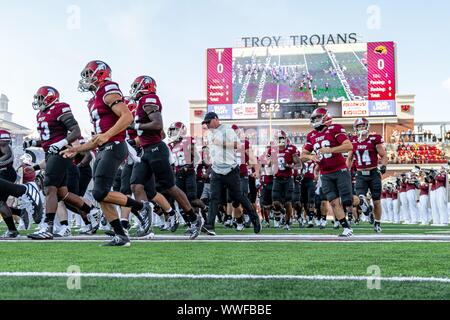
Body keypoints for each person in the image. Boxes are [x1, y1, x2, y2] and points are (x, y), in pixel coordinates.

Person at [62, 60, 152, 247]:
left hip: (115, 145)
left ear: (101, 74)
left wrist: (108, 135)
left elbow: (127, 117)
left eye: (89, 74)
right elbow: (97, 138)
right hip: (104, 147)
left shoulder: (108, 89)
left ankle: (141, 207)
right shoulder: (94, 100)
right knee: (101, 195)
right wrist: (76, 149)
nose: (86, 78)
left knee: (100, 192)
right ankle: (121, 235)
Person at [128, 75, 202, 239]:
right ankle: (146, 225)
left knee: (170, 186)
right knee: (136, 186)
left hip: (155, 150)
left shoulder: (149, 98)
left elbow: (158, 125)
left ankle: (193, 218)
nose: (133, 89)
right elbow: (161, 133)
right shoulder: (141, 103)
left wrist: (136, 125)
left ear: (145, 86)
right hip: (145, 151)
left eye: (135, 86)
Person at [25, 86, 101, 240]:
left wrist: (61, 144)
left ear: (50, 97)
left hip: (60, 153)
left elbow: (76, 131)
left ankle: (48, 226)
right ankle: (91, 210)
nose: (38, 101)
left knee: (49, 188)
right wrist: (34, 142)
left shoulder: (60, 108)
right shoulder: (41, 113)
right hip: (51, 153)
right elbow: (49, 139)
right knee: (62, 194)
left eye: (40, 97)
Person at [202, 112, 261, 234]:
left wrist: (222, 143)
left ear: (216, 119)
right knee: (214, 198)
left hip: (230, 170)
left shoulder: (227, 130)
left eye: (209, 122)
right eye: (206, 123)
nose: (207, 125)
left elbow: (237, 145)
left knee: (239, 196)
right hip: (217, 170)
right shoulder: (209, 134)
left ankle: (254, 218)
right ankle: (209, 226)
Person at [301, 107, 354, 237]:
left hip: (340, 170)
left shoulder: (335, 128)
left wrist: (331, 150)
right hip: (325, 173)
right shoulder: (311, 135)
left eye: (318, 118)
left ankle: (362, 202)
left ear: (325, 117)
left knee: (347, 201)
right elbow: (303, 155)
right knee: (333, 202)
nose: (315, 121)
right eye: (314, 118)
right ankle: (346, 228)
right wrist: (311, 157)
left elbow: (349, 146)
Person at [346, 118, 388, 233]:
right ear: (356, 128)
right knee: (361, 197)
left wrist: (383, 166)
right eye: (359, 126)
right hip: (360, 174)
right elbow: (349, 158)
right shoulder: (353, 140)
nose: (361, 128)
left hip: (373, 173)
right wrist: (346, 171)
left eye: (363, 126)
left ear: (367, 127)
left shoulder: (374, 139)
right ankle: (367, 211)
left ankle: (377, 222)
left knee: (376, 201)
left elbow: (383, 155)